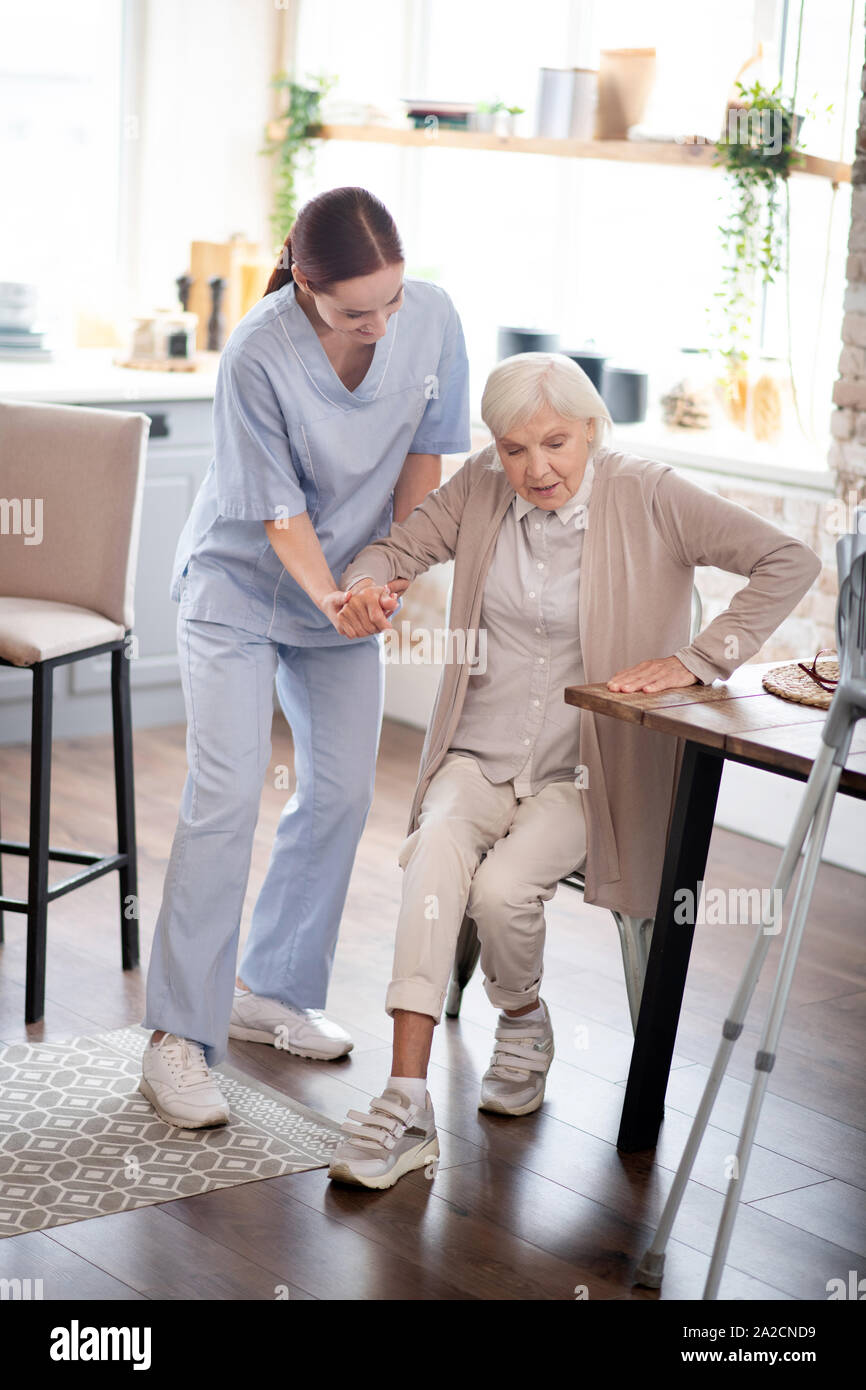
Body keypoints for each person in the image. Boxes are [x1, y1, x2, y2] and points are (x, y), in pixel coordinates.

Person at [326, 351, 821, 1189]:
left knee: (502, 890)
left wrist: (701, 659)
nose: (535, 468)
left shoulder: (649, 493)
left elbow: (790, 561)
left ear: (592, 428)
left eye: (555, 442)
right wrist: (368, 587)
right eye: (514, 448)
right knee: (436, 856)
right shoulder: (484, 485)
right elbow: (394, 549)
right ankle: (405, 1102)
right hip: (478, 757)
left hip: (586, 772)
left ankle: (521, 1025)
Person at [139, 187, 471, 1128]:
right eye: (354, 311)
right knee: (228, 788)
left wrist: (392, 569)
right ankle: (177, 1039)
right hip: (240, 589)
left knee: (340, 791)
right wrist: (331, 592)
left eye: (391, 302)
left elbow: (424, 456)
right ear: (307, 284)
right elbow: (276, 512)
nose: (379, 325)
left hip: (349, 584)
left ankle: (272, 990)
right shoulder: (257, 351)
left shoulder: (432, 317)